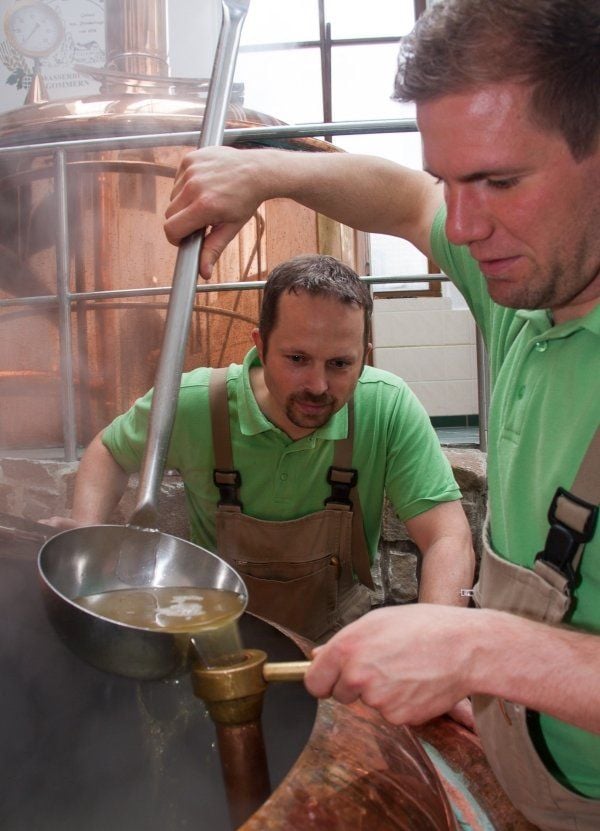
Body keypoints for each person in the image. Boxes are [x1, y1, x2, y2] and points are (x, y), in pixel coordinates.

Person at [161, 0, 599, 827]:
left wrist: (475, 646)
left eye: (500, 180)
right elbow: (403, 201)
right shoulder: (527, 289)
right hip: (522, 777)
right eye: (453, 179)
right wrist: (266, 173)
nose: (461, 228)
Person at [47, 254, 474, 643]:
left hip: (336, 643)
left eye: (340, 364)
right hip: (214, 633)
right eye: (297, 359)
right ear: (260, 344)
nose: (318, 386)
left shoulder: (387, 406)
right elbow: (109, 450)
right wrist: (89, 533)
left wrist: (437, 647)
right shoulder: (195, 403)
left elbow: (447, 537)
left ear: (364, 356)